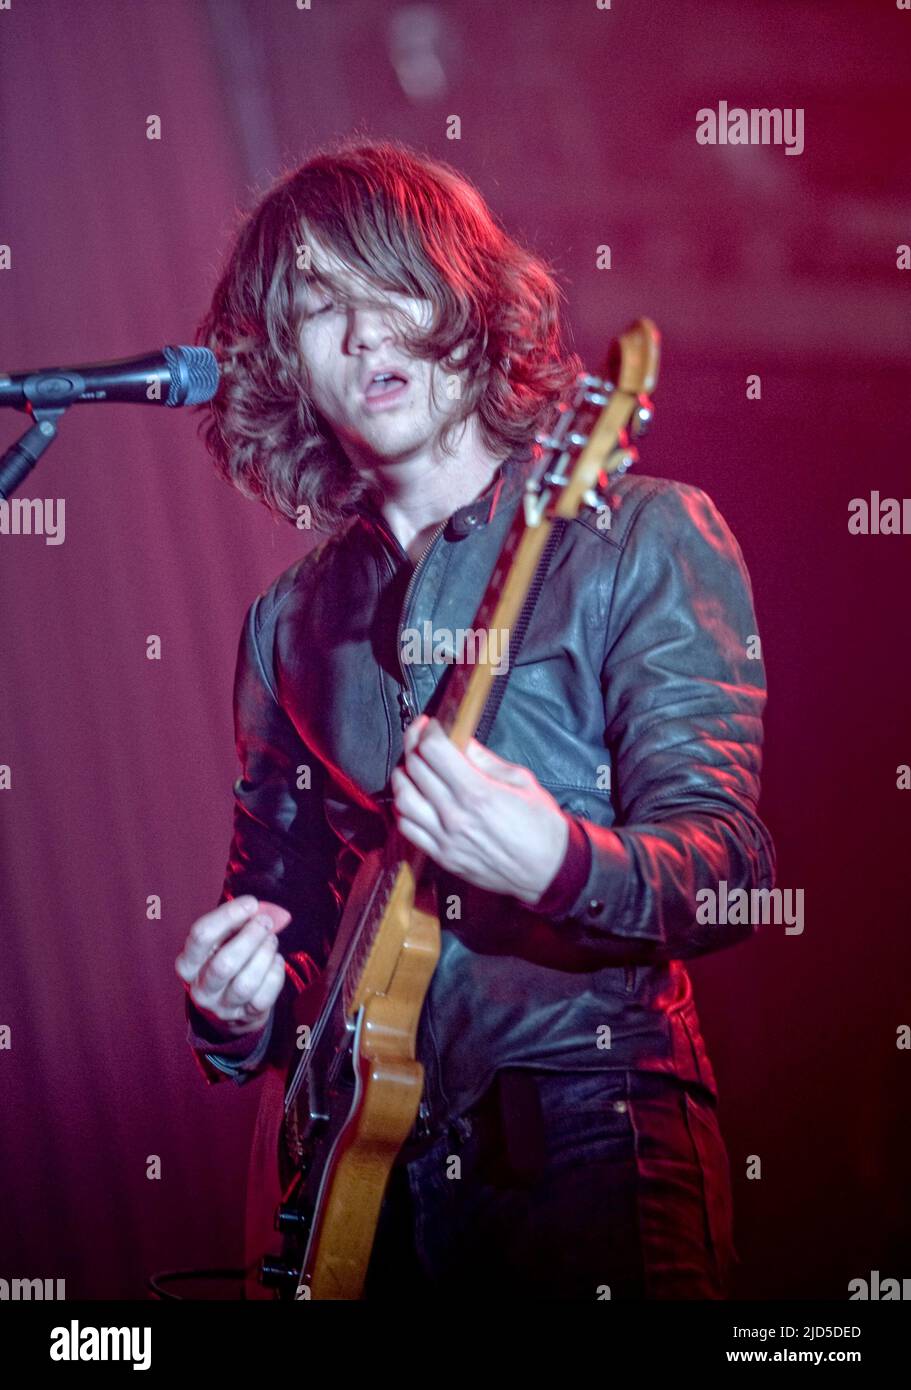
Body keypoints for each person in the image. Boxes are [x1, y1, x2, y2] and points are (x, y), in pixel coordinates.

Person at [174, 139, 776, 1301]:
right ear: (283, 362)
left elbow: (734, 868)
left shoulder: (642, 535)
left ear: (463, 295)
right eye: (314, 308)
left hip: (588, 1156)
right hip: (364, 1204)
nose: (360, 336)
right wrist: (233, 1008)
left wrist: (559, 861)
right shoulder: (284, 625)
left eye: (387, 284)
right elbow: (281, 921)